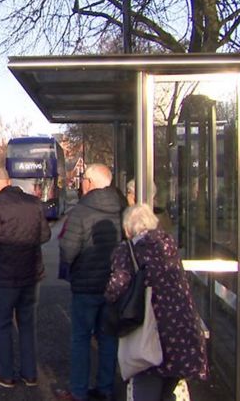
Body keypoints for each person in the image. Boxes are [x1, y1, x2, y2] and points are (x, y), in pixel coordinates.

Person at [105, 204, 208, 400]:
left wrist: (108, 298)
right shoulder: (168, 244)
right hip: (181, 334)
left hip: (151, 333)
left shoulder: (127, 250)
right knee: (167, 391)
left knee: (145, 387)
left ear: (127, 228)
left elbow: (117, 286)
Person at [56, 163, 123, 401]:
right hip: (114, 285)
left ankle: (78, 391)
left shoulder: (81, 211)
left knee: (81, 338)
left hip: (86, 285)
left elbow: (68, 249)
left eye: (84, 179)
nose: (82, 182)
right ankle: (105, 388)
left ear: (90, 183)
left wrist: (70, 267)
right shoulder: (121, 208)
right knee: (108, 338)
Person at [0, 167, 51, 388]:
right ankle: (30, 374)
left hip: (5, 277)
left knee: (3, 324)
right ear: (8, 181)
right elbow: (45, 235)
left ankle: (6, 374)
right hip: (31, 273)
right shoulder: (33, 203)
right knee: (27, 324)